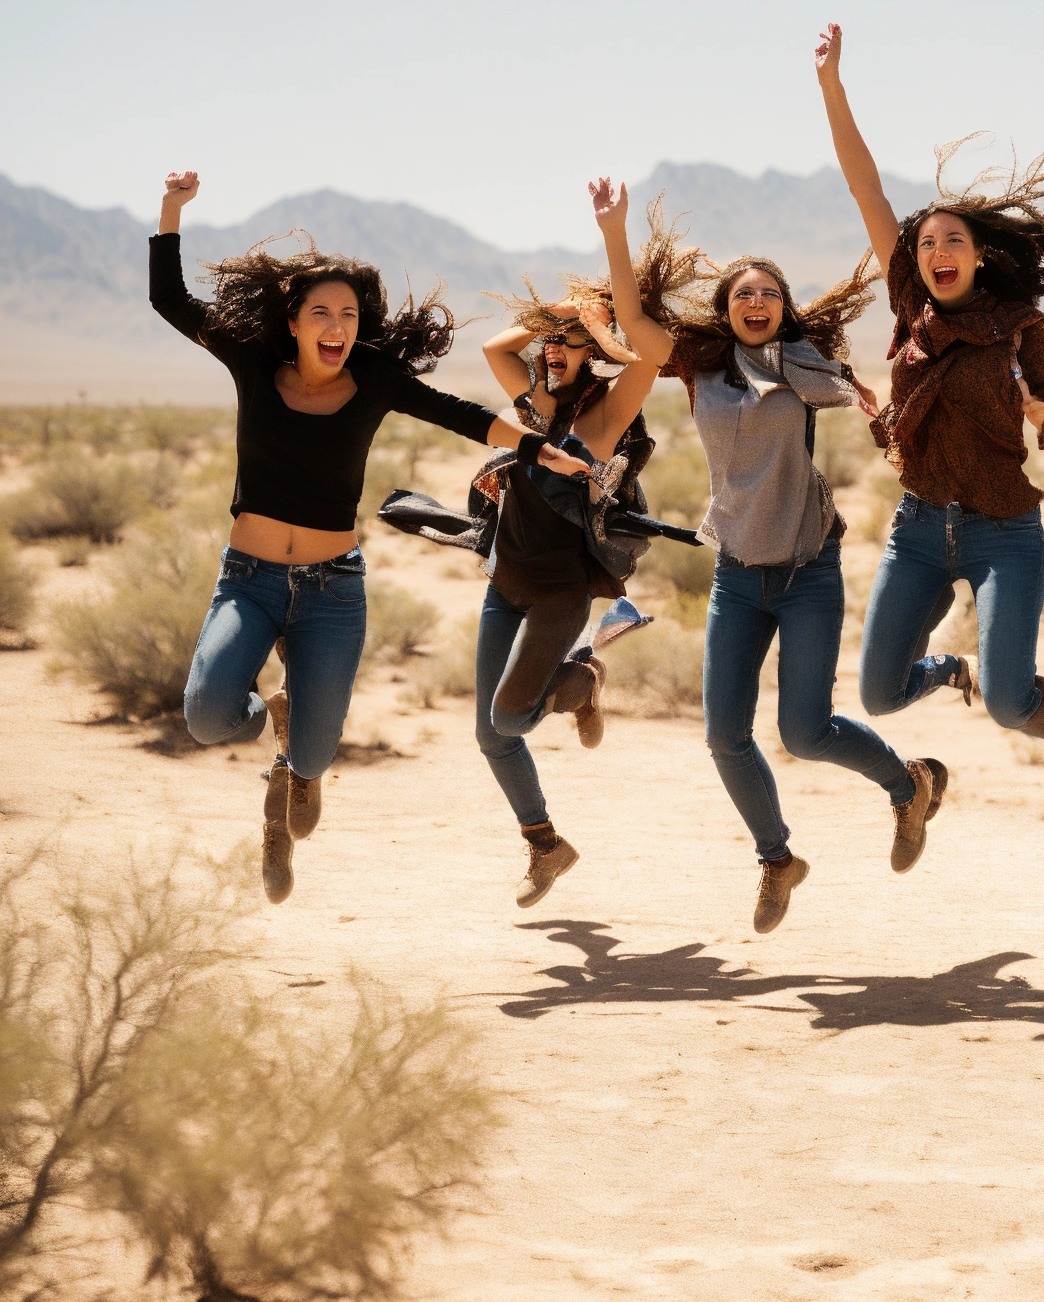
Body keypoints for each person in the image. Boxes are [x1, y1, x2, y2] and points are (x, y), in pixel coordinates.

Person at [151, 170, 591, 904]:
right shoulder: (253, 360)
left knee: (320, 754)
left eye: (349, 314)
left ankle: (290, 776)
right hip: (251, 579)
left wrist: (532, 446)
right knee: (206, 717)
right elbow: (170, 299)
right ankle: (275, 720)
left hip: (332, 591)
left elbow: (454, 411)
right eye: (320, 311)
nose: (337, 326)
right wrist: (171, 212)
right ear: (292, 321)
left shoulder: (376, 378)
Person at [599, 180, 946, 935]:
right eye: (741, 296)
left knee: (805, 731)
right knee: (724, 734)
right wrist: (615, 231)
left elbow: (862, 400)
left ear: (784, 307)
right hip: (736, 574)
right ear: (725, 310)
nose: (754, 305)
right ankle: (776, 858)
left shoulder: (806, 363)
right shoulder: (701, 365)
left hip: (807, 570)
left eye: (767, 296)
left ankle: (907, 784)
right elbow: (632, 321)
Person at [814, 22, 1044, 850]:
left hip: (1004, 530)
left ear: (981, 258)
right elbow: (865, 190)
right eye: (926, 242)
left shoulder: (1019, 327)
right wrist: (832, 86)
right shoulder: (911, 307)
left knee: (1015, 702)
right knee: (877, 695)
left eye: (953, 240)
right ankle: (951, 672)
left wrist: (1036, 412)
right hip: (919, 529)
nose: (935, 249)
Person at [472, 278, 660, 909]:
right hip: (506, 586)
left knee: (507, 717)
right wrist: (555, 315)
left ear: (593, 357)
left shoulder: (603, 416)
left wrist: (602, 327)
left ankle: (580, 680)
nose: (557, 350)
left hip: (560, 594)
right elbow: (495, 351)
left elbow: (649, 361)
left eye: (574, 346)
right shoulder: (529, 404)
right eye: (552, 343)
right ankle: (545, 844)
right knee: (491, 734)